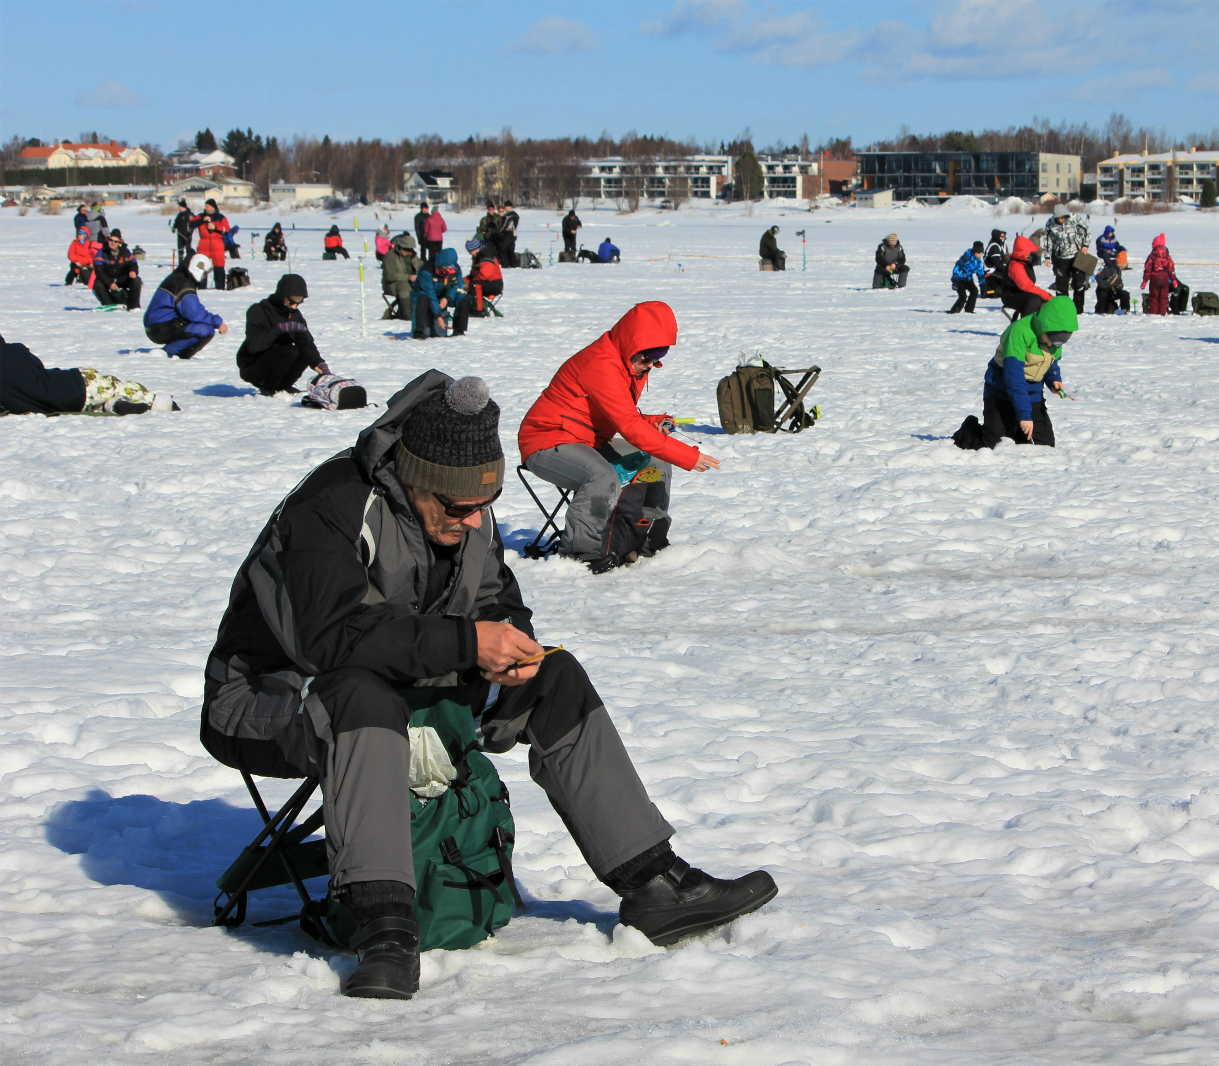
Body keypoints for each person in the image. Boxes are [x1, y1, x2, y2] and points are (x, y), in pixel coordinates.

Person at [200, 371, 776, 998]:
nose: (476, 521)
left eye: (486, 503)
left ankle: (655, 882)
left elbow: (499, 596)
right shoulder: (332, 504)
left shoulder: (466, 507)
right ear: (414, 479)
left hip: (402, 685)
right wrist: (468, 645)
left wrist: (511, 644)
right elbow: (328, 641)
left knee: (556, 676)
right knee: (359, 693)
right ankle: (385, 927)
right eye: (458, 508)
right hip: (269, 698)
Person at [519, 301, 720, 573]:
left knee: (655, 463)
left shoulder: (625, 363)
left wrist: (652, 422)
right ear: (630, 344)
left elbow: (623, 414)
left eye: (656, 359)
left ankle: (648, 538)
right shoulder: (601, 364)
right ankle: (580, 554)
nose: (649, 365)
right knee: (601, 476)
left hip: (588, 440)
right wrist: (686, 455)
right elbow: (629, 426)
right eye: (645, 358)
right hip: (546, 442)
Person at [970, 297, 1077, 449]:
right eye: (1052, 339)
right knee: (994, 445)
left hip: (1032, 395)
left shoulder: (1054, 340)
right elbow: (1014, 378)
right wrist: (1025, 415)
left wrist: (1053, 378)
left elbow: (1050, 363)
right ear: (1045, 325)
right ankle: (968, 431)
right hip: (1001, 392)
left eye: (1059, 342)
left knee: (1044, 446)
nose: (1052, 344)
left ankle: (1017, 429)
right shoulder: (1018, 332)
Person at [2, 335, 176, 416]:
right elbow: (37, 366)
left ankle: (111, 406)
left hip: (58, 406)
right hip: (77, 384)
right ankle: (156, 400)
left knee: (90, 403)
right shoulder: (15, 351)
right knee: (115, 386)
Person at [236, 273, 332, 395]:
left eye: (299, 302)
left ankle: (284, 386)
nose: (294, 306)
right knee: (289, 352)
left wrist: (319, 363)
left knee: (302, 352)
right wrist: (279, 329)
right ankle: (269, 387)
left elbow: (306, 343)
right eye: (292, 302)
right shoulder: (258, 310)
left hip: (280, 363)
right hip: (253, 367)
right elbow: (254, 346)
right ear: (282, 295)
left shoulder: (295, 314)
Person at [143, 254, 227, 358]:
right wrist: (218, 323)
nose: (204, 277)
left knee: (199, 326)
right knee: (206, 330)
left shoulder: (179, 277)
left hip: (157, 325)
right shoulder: (184, 284)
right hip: (161, 327)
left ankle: (173, 352)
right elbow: (193, 312)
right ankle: (170, 354)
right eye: (205, 274)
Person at [1038, 208, 1091, 313]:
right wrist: (1047, 256)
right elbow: (1048, 240)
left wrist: (1085, 245)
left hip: (1077, 255)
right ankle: (1063, 308)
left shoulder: (1075, 218)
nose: (1061, 220)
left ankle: (1078, 308)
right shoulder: (1050, 223)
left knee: (1079, 283)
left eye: (1063, 218)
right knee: (1061, 284)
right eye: (1059, 218)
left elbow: (1086, 231)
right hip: (1060, 257)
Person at [412, 248, 464, 339]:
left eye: (450, 268)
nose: (448, 271)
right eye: (445, 268)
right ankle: (418, 332)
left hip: (443, 296)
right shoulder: (426, 270)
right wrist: (438, 317)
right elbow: (430, 293)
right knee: (423, 298)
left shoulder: (456, 269)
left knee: (464, 298)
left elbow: (455, 285)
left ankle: (459, 330)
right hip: (425, 295)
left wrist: (447, 298)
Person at [1001, 234, 1053, 319]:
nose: (1029, 253)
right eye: (1028, 250)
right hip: (1010, 296)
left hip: (1022, 293)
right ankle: (1026, 326)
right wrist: (1048, 296)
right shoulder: (1015, 265)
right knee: (1034, 300)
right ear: (1022, 251)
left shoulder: (1023, 262)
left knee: (1039, 299)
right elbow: (1027, 286)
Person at [93, 230, 142, 310]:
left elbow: (133, 264)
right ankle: (108, 305)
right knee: (97, 284)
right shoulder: (101, 252)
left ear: (120, 242)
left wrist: (133, 271)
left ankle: (134, 306)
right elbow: (99, 271)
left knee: (137, 280)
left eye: (116, 241)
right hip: (108, 279)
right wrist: (109, 283)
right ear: (107, 240)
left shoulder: (126, 252)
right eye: (111, 240)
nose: (113, 243)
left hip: (122, 278)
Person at [192, 199, 231, 290]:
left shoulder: (221, 217)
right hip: (204, 244)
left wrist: (216, 227)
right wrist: (202, 220)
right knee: (202, 266)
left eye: (208, 206)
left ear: (213, 207)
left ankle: (220, 287)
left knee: (219, 266)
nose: (206, 208)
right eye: (205, 206)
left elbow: (227, 229)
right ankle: (201, 287)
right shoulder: (200, 216)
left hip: (217, 244)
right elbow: (191, 223)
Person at [382, 233, 420, 321]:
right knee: (405, 289)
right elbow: (390, 275)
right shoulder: (390, 257)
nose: (410, 252)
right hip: (392, 284)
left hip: (412, 282)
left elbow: (420, 264)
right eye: (407, 250)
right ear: (401, 247)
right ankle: (407, 317)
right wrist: (409, 277)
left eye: (411, 249)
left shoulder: (413, 255)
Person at [463, 238, 503, 317]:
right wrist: (463, 281)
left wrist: (470, 283)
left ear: (475, 249)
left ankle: (477, 311)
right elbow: (473, 275)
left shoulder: (486, 256)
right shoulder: (478, 257)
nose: (470, 253)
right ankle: (471, 307)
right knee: (470, 285)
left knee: (475, 286)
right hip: (485, 282)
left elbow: (484, 275)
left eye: (470, 251)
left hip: (494, 284)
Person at [1140, 233, 1177, 315]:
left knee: (1153, 297)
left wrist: (1145, 281)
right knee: (1164, 298)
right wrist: (1174, 280)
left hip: (1155, 278)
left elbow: (1148, 269)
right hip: (1165, 279)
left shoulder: (1152, 256)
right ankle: (1162, 313)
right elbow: (1171, 269)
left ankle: (1154, 313)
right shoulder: (1167, 256)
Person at [948, 241, 985, 314]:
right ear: (975, 251)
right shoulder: (966, 258)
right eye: (979, 253)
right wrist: (955, 281)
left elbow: (980, 273)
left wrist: (983, 285)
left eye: (981, 253)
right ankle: (954, 311)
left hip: (968, 279)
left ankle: (969, 310)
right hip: (960, 280)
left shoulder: (978, 261)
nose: (980, 255)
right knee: (963, 297)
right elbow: (957, 269)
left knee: (974, 291)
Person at [498, 201, 520, 267]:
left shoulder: (509, 215)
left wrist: (500, 231)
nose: (504, 209)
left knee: (503, 249)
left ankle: (505, 265)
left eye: (505, 207)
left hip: (508, 233)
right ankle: (514, 265)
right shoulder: (516, 214)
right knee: (511, 250)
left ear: (508, 207)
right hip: (514, 233)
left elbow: (505, 225)